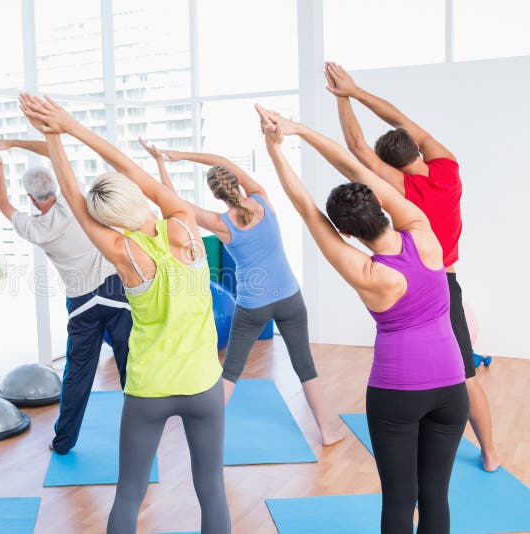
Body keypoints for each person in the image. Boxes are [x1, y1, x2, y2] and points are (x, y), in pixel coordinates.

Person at [19, 94, 230, 534]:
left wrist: (52, 138)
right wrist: (70, 125)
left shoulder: (122, 252)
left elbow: (75, 201)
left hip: (149, 389)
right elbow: (135, 172)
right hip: (203, 385)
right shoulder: (182, 222)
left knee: (129, 494)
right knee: (211, 489)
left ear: (109, 220)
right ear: (136, 196)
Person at [256, 106, 468, 533]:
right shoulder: (423, 230)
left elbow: (305, 208)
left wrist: (275, 148)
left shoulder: (367, 272)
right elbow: (354, 165)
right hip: (451, 390)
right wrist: (298, 128)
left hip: (397, 394)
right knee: (435, 497)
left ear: (349, 234)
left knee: (398, 499)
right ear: (381, 204)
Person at [324, 62, 499, 471]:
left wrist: (341, 99)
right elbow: (400, 120)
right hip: (443, 280)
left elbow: (357, 149)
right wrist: (356, 91)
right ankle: (485, 452)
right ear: (416, 150)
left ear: (392, 166)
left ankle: (490, 451)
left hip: (426, 286)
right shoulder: (448, 167)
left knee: (464, 376)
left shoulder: (404, 190)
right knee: (452, 374)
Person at [139, 137, 343, 445]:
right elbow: (222, 158)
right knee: (305, 366)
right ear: (236, 182)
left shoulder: (221, 223)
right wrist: (178, 155)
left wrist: (159, 162)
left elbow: (172, 206)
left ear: (216, 194)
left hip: (252, 305)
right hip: (290, 297)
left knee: (231, 371)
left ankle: (203, 433)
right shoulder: (261, 198)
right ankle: (327, 431)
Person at [0, 139, 131, 455]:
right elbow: (52, 151)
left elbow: (3, 205)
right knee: (133, 368)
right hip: (115, 294)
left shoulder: (35, 229)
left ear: (32, 199)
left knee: (77, 375)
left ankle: (63, 442)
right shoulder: (76, 203)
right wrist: (12, 144)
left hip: (83, 303)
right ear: (54, 188)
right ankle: (142, 435)